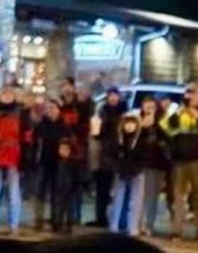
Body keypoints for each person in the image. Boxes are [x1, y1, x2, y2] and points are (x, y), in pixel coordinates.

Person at [161, 82, 198, 241]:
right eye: (188, 92)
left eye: (194, 93)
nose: (191, 96)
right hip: (180, 161)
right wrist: (178, 112)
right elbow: (167, 127)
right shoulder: (178, 111)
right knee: (178, 198)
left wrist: (197, 115)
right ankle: (176, 231)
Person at [0, 86, 29, 234]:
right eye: (4, 92)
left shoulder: (22, 113)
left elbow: (26, 136)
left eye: (10, 93)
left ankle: (14, 226)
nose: (7, 95)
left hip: (13, 156)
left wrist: (25, 157)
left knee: (14, 194)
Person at [90, 87, 127, 227]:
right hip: (104, 155)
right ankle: (101, 218)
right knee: (102, 189)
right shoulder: (102, 111)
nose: (113, 98)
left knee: (118, 190)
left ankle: (117, 220)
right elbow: (97, 133)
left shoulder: (124, 113)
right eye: (110, 95)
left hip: (119, 155)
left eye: (115, 95)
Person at [58, 77, 92, 223]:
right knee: (63, 185)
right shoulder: (59, 104)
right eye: (63, 86)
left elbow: (86, 124)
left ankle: (74, 216)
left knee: (75, 185)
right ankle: (61, 216)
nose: (66, 89)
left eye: (69, 86)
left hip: (78, 149)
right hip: (61, 149)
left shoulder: (81, 105)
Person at [33, 99, 69, 230]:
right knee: (39, 192)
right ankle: (38, 219)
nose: (51, 111)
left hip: (59, 163)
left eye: (53, 108)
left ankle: (56, 220)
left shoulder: (64, 127)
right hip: (43, 162)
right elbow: (34, 144)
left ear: (59, 110)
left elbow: (68, 144)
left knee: (57, 192)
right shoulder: (40, 126)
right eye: (48, 108)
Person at [108, 113, 146, 236]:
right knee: (117, 199)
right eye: (127, 123)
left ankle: (133, 227)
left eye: (133, 123)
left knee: (135, 201)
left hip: (137, 172)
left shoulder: (141, 140)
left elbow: (145, 156)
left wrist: (137, 169)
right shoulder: (118, 140)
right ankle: (114, 226)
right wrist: (118, 167)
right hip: (121, 172)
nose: (130, 126)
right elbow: (112, 154)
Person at [138, 96, 170, 236]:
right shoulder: (137, 120)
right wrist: (143, 128)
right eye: (147, 106)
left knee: (152, 197)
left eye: (152, 107)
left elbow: (167, 140)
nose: (149, 109)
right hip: (139, 164)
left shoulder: (161, 123)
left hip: (156, 164)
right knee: (139, 197)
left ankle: (149, 224)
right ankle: (137, 224)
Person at [53, 136, 82, 234]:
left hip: (70, 189)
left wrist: (75, 187)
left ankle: (69, 225)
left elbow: (77, 177)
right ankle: (58, 224)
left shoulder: (73, 163)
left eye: (66, 149)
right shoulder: (56, 162)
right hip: (58, 189)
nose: (63, 151)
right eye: (61, 149)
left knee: (69, 208)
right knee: (58, 207)